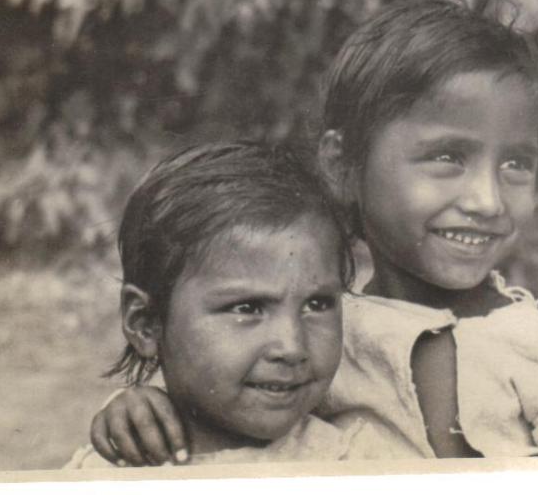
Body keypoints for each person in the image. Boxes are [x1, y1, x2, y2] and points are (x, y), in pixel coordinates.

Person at [88, 0, 538, 465]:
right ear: (342, 165)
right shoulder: (319, 331)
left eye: (516, 164)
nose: (488, 201)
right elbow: (210, 390)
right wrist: (142, 409)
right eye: (447, 157)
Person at [67, 142, 391, 468]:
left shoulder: (357, 462)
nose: (292, 347)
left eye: (317, 304)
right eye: (248, 309)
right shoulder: (109, 472)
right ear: (146, 324)